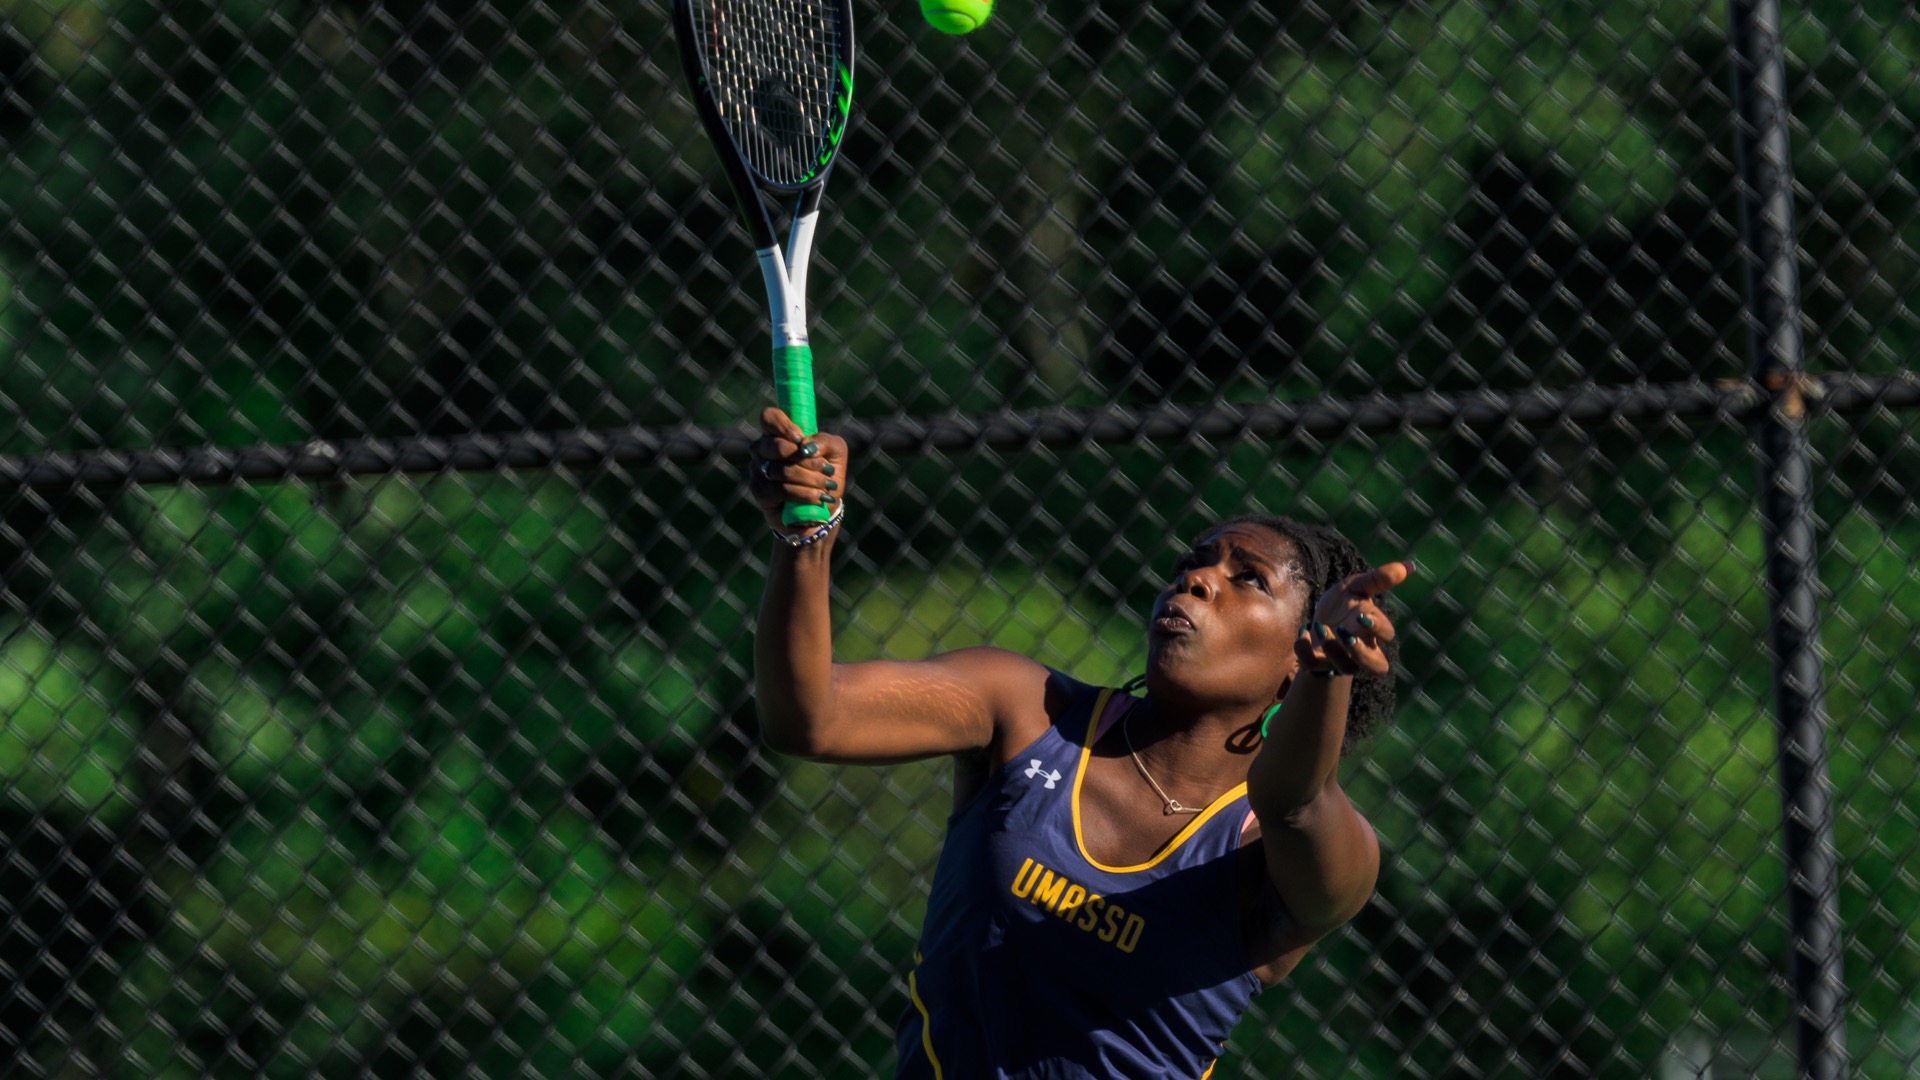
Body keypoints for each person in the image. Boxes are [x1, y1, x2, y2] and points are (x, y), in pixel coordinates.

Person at [748, 407, 1411, 1079]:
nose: (1197, 579)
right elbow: (811, 716)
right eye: (1194, 561)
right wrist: (808, 540)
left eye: (1248, 579)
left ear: (1297, 657)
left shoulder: (1284, 849)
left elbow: (1293, 800)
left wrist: (1328, 676)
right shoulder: (1026, 710)